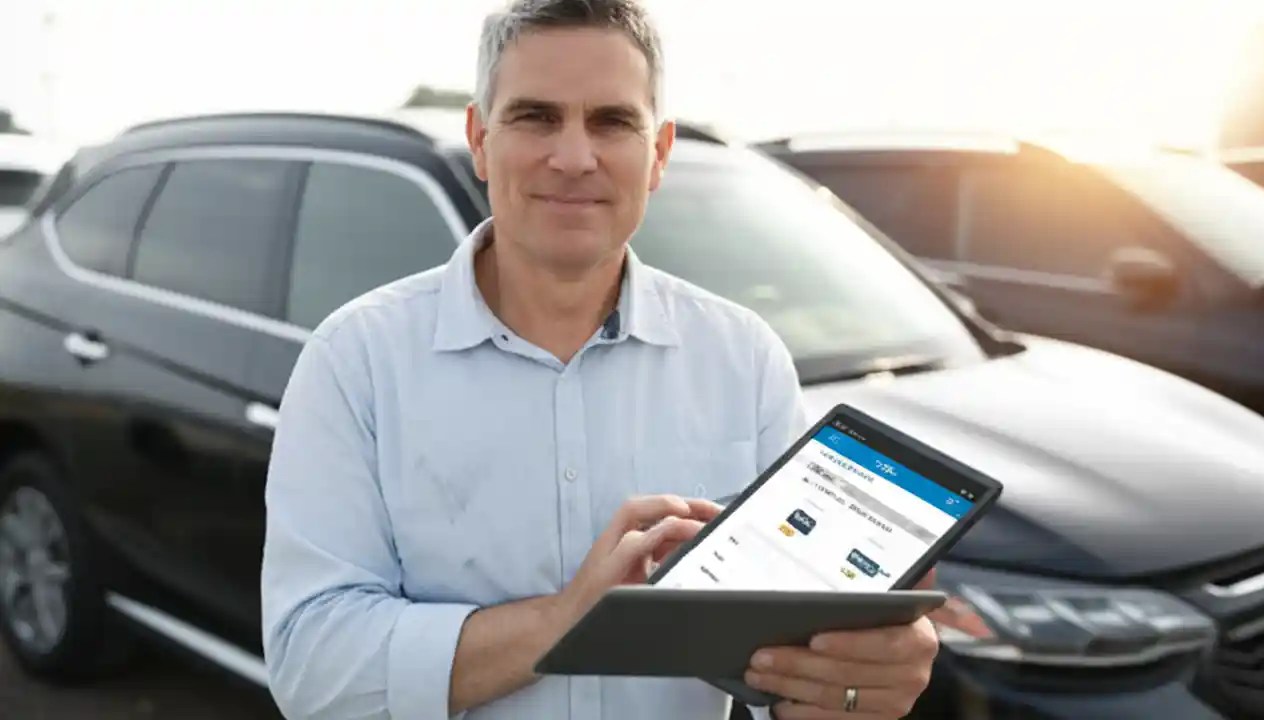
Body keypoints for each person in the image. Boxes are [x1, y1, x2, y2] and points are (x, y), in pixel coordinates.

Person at [260, 1, 941, 718]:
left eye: (613, 122)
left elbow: (786, 667)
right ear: (480, 139)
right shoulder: (355, 361)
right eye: (535, 117)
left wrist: (852, 682)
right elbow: (314, 668)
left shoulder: (744, 362)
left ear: (660, 154)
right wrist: (569, 619)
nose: (575, 156)